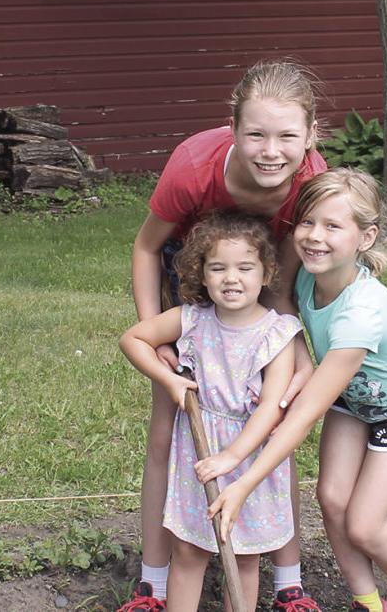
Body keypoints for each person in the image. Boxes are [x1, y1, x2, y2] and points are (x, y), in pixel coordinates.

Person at [123, 59, 327, 612]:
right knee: (168, 430)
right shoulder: (193, 166)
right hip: (193, 273)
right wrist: (161, 343)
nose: (271, 150)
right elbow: (145, 249)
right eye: (255, 133)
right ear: (232, 130)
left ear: (310, 136)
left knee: (274, 426)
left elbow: (281, 286)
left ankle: (289, 581)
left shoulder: (310, 178)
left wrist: (296, 350)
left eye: (288, 136)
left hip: (258, 279)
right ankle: (153, 583)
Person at [207, 168, 387, 612]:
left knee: (366, 526)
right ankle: (367, 601)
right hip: (355, 398)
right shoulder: (306, 268)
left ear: (365, 238)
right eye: (308, 222)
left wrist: (242, 475)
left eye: (333, 226)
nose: (315, 236)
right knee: (332, 498)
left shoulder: (362, 313)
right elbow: (278, 293)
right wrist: (297, 346)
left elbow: (302, 415)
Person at [121, 212, 304, 611]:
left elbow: (272, 407)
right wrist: (168, 379)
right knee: (188, 551)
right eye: (217, 267)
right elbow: (133, 338)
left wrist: (232, 457)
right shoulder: (193, 320)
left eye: (244, 268)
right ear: (201, 275)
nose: (231, 278)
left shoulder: (278, 333)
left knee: (243, 555)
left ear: (266, 273)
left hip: (248, 453)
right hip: (198, 454)